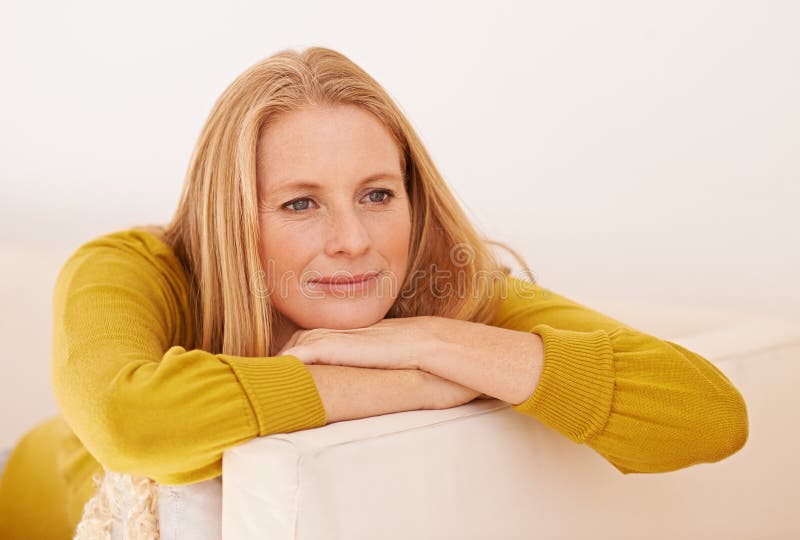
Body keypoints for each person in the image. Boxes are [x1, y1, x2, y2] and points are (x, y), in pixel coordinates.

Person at [0, 46, 749, 539]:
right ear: (232, 217)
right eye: (300, 203)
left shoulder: (445, 284)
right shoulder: (134, 268)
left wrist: (435, 339)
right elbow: (132, 420)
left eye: (377, 194)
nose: (353, 240)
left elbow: (707, 414)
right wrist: (409, 384)